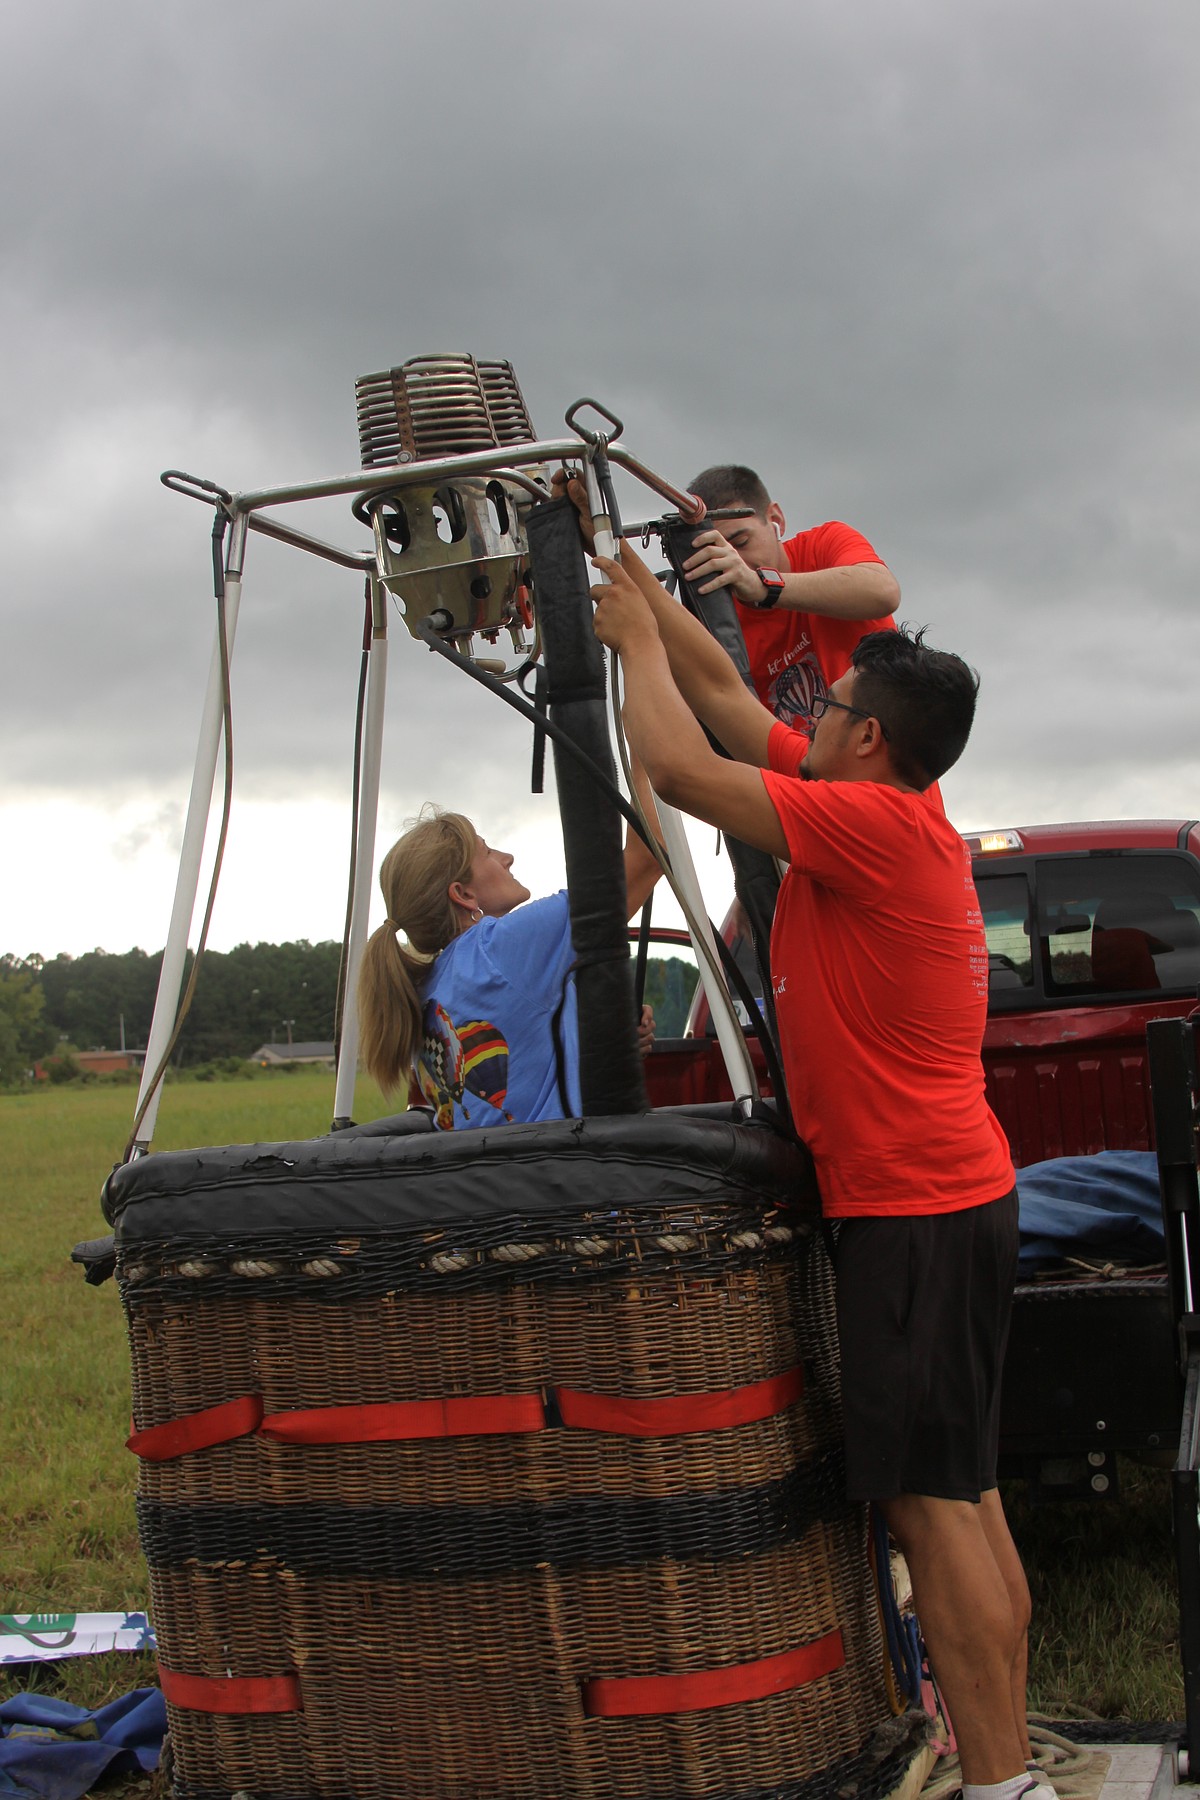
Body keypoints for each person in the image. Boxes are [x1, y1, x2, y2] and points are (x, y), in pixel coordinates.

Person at [579, 527, 1049, 1800]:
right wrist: (652, 592)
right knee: (968, 1497)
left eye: (833, 705)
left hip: (913, 1214)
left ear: (869, 743)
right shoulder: (891, 810)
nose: (814, 711)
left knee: (932, 1511)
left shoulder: (874, 831)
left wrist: (624, 647)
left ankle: (1002, 1784)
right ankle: (1011, 1771)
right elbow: (729, 700)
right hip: (950, 1202)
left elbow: (678, 758)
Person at [357, 807, 660, 1129]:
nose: (507, 857)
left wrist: (607, 1041)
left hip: (494, 1172)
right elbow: (647, 857)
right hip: (557, 1166)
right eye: (488, 852)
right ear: (464, 894)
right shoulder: (495, 952)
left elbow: (525, 1082)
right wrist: (651, 759)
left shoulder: (428, 991)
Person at [681, 463, 900, 736]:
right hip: (797, 776)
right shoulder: (711, 619)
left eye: (741, 542)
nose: (733, 559)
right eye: (715, 551)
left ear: (776, 519)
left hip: (884, 769)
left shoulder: (824, 544)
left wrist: (764, 587)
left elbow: (883, 591)